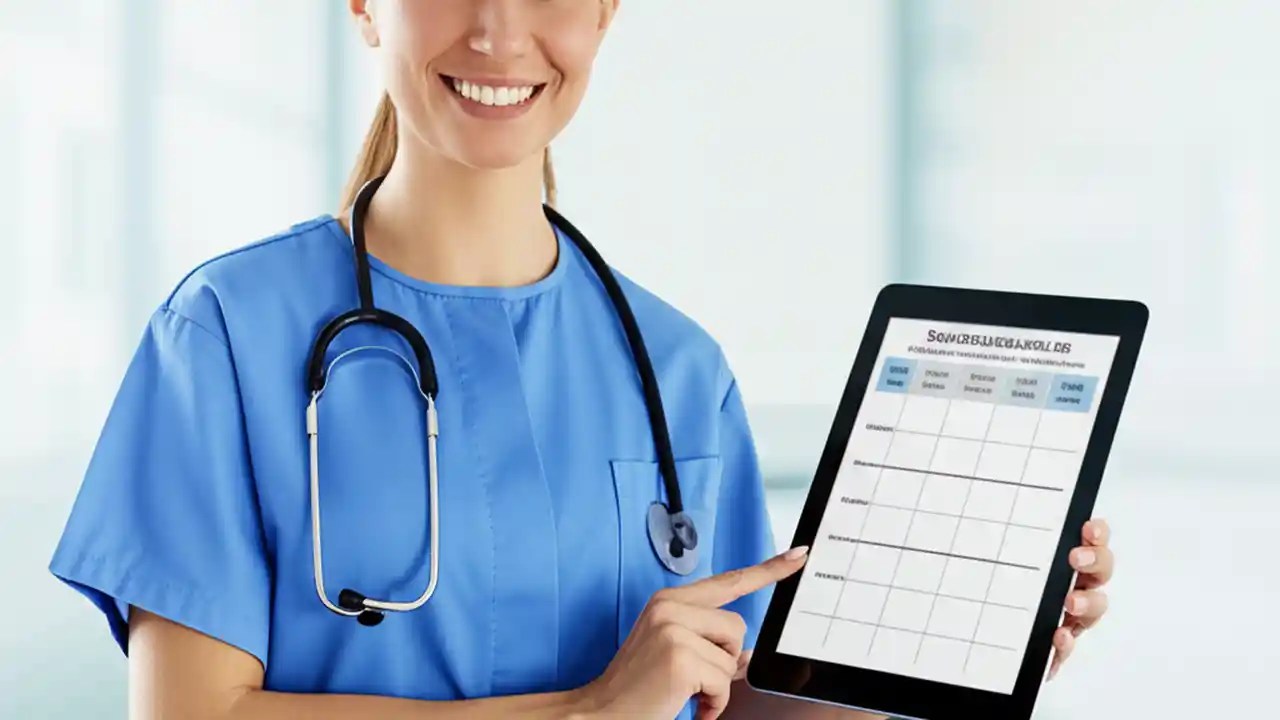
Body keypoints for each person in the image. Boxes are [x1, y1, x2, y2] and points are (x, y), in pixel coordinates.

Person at [48, 1, 1115, 718]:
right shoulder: (226, 335)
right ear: (364, 5)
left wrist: (960, 643)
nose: (499, 31)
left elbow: (723, 699)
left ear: (607, 10)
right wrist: (585, 712)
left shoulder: (677, 370)